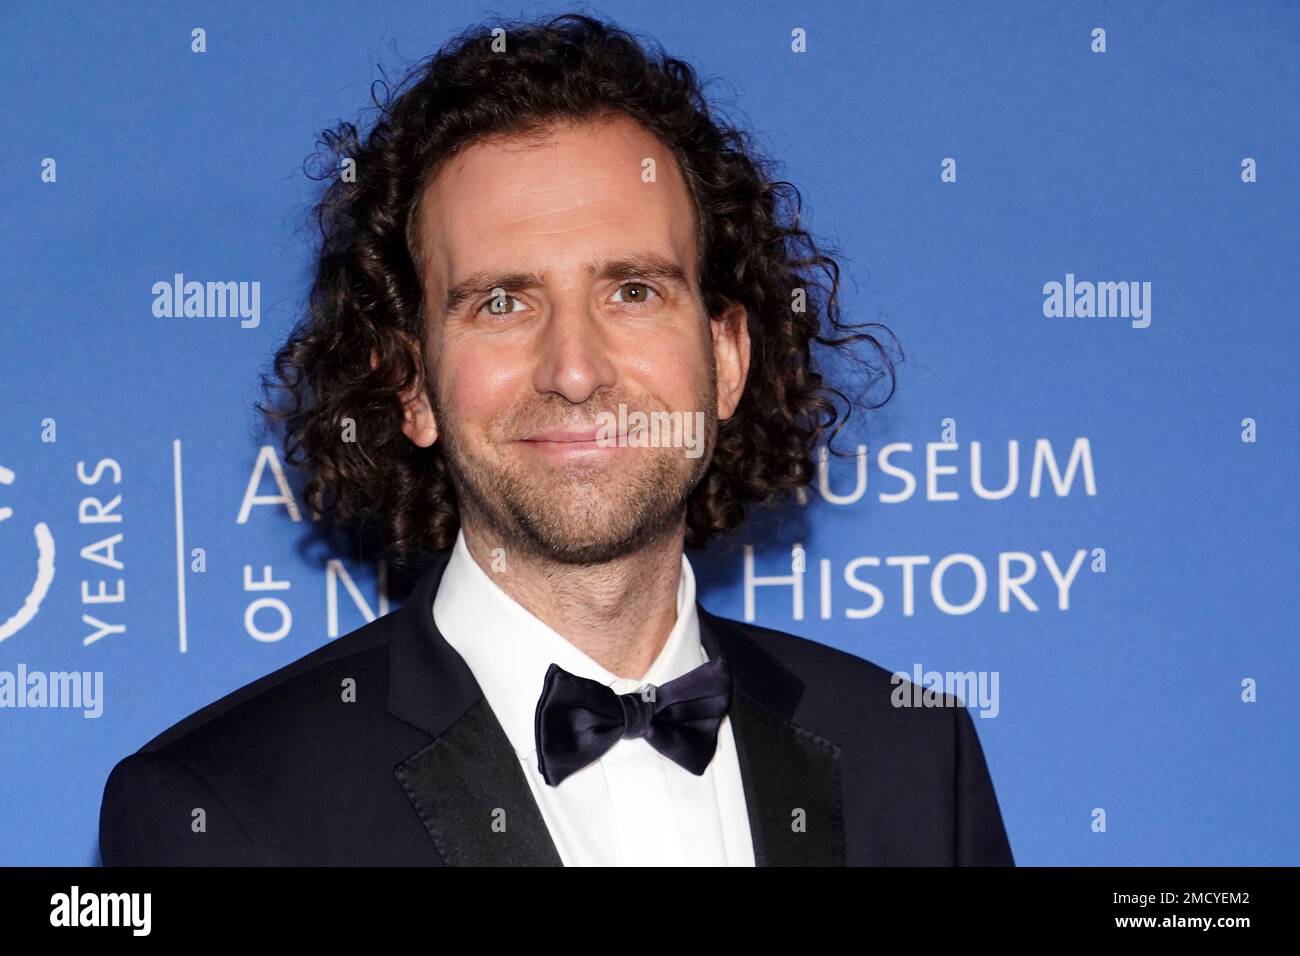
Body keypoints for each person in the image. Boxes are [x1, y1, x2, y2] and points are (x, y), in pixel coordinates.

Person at [99, 13, 1013, 866]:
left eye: (633, 291)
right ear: (410, 385)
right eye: (502, 302)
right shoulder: (225, 810)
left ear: (728, 358)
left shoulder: (916, 760)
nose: (574, 369)